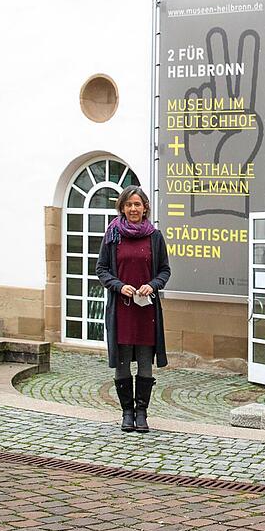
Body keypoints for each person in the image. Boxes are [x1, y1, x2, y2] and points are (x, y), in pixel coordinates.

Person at [95, 186, 171, 433]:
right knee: (123, 362)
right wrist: (119, 286)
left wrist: (152, 285)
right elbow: (102, 269)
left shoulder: (154, 237)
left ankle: (142, 413)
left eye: (137, 204)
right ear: (122, 208)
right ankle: (127, 412)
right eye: (129, 205)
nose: (133, 209)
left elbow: (164, 271)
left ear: (145, 207)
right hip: (123, 310)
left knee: (146, 363)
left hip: (146, 311)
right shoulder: (113, 235)